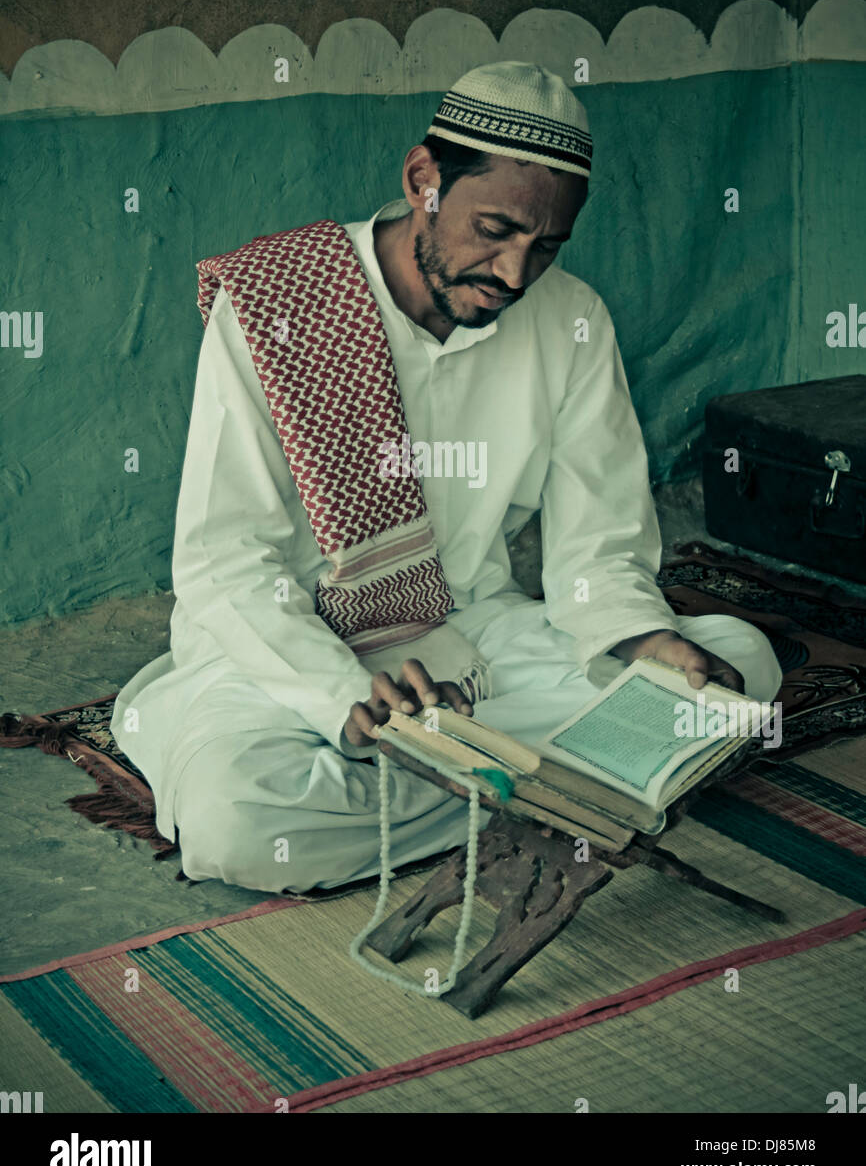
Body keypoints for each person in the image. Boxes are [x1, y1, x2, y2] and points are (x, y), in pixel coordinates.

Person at [110, 61, 782, 894]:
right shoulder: (278, 303)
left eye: (543, 247)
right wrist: (342, 695)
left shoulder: (571, 321)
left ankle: (484, 782)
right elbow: (224, 563)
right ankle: (563, 784)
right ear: (423, 178)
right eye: (493, 229)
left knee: (734, 669)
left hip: (473, 633)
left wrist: (641, 638)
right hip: (287, 656)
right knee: (237, 815)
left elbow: (598, 546)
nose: (512, 275)